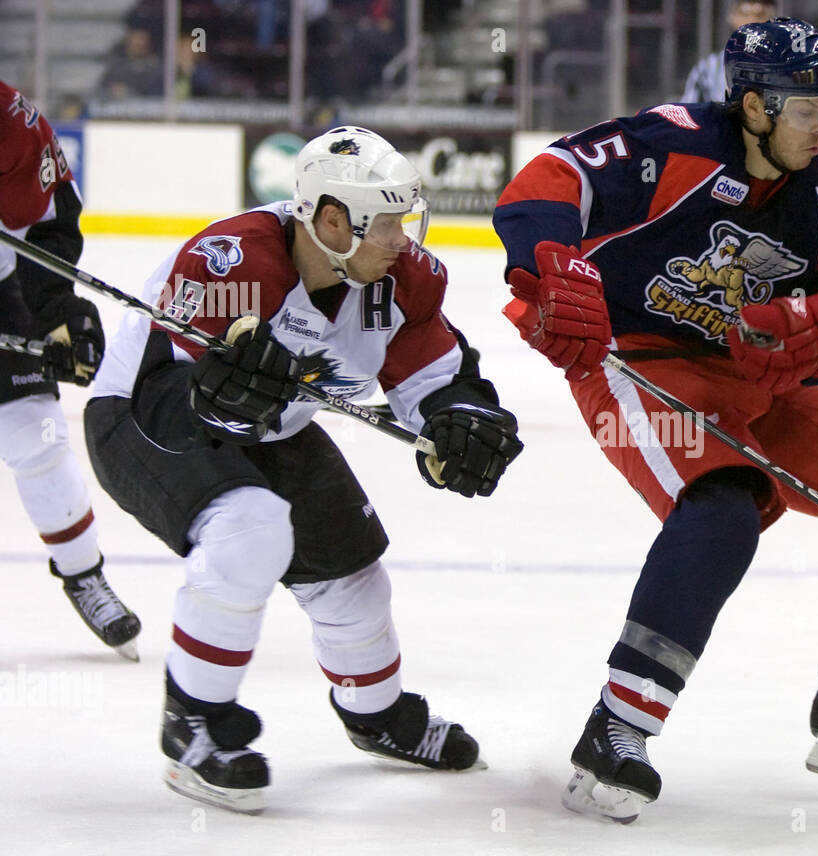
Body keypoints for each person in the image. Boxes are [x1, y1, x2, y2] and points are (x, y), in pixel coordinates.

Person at [494, 18, 818, 823]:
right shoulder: (669, 146)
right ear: (752, 105)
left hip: (746, 374)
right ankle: (617, 727)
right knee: (721, 511)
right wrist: (555, 265)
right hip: (633, 360)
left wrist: (816, 335)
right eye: (807, 110)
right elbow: (547, 180)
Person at [85, 126, 523, 814]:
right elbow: (195, 390)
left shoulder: (401, 282)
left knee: (353, 574)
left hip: (277, 421)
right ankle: (193, 723)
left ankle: (376, 714)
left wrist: (461, 420)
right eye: (386, 224)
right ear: (330, 220)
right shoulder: (234, 260)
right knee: (250, 530)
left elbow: (436, 379)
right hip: (150, 403)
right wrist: (230, 392)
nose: (402, 239)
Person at [0, 80, 142, 660]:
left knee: (34, 432)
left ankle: (83, 572)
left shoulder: (9, 122)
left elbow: (49, 224)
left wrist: (56, 312)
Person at [681, 1, 778, 103]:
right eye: (745, 12)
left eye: (760, 14)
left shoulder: (787, 69)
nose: (752, 21)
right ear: (732, 17)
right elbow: (687, 114)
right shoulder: (708, 69)